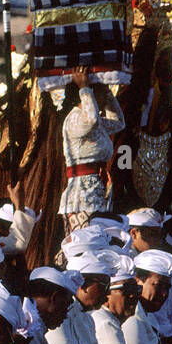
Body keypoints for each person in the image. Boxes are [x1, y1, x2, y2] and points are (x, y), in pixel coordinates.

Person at [58, 70, 124, 233]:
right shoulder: (75, 119)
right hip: (81, 197)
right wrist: (84, 87)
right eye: (102, 93)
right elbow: (92, 119)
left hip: (99, 190)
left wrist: (108, 93)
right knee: (84, 248)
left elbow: (119, 123)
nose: (105, 97)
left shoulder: (94, 120)